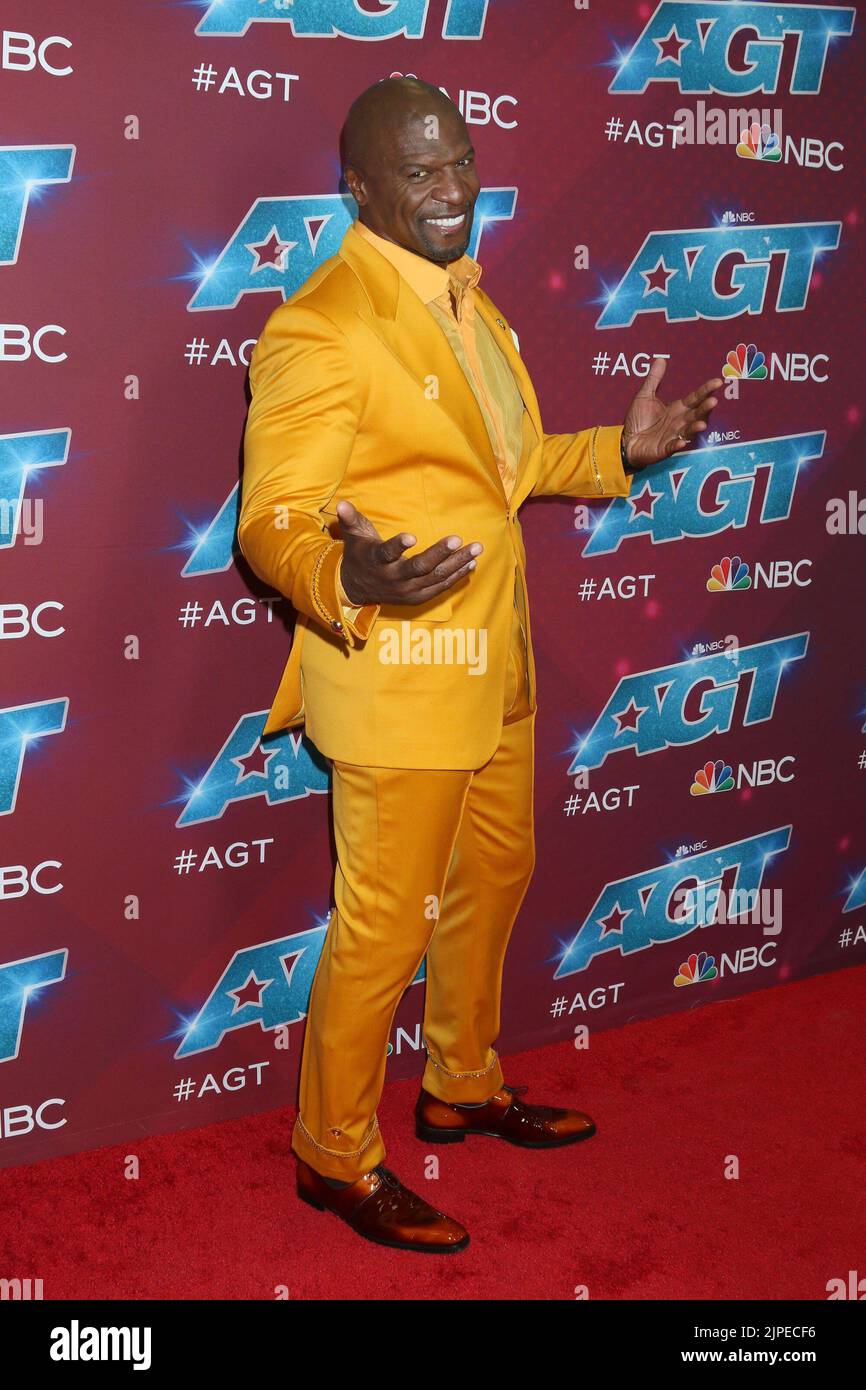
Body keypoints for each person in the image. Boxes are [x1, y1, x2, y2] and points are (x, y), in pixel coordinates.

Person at [238, 77, 721, 1254]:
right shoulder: (322, 324)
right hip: (399, 672)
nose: (452, 187)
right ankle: (331, 1152)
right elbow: (272, 519)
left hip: (493, 662)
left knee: (494, 878)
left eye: (460, 159)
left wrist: (617, 451)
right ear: (359, 189)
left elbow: (500, 469)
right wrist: (346, 576)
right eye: (420, 171)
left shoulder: (465, 294)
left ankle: (459, 1082)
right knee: (383, 927)